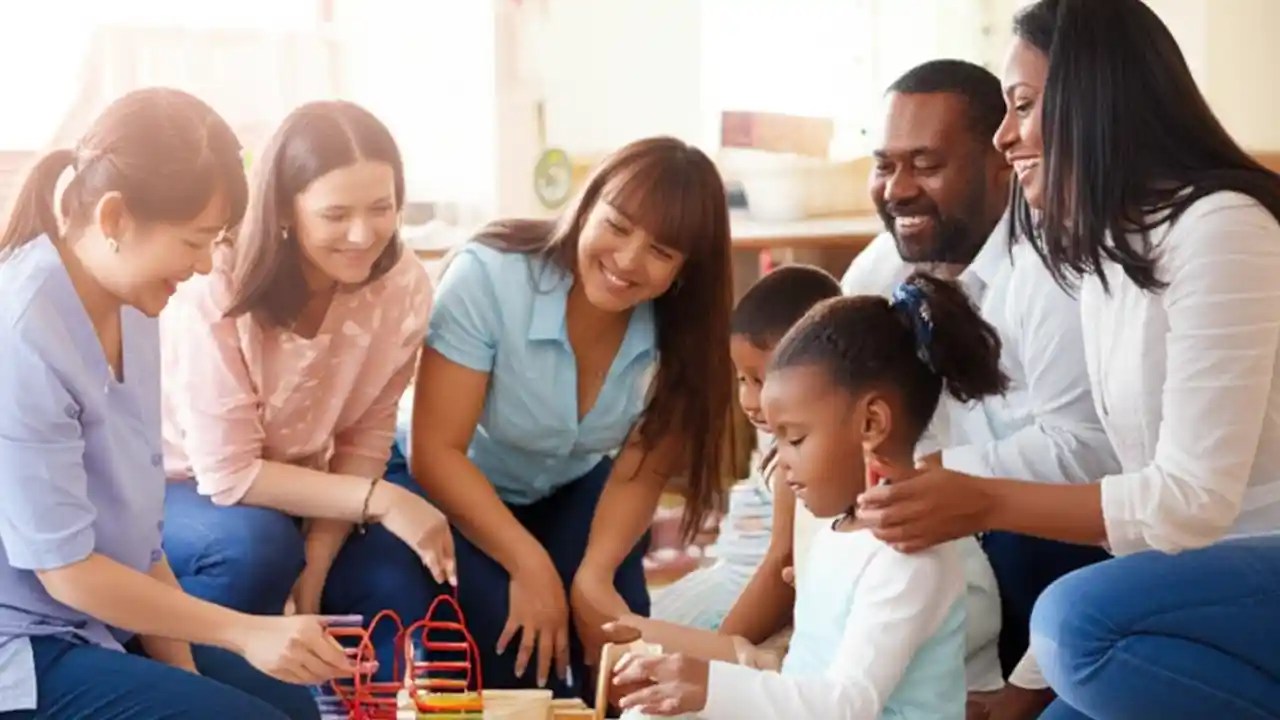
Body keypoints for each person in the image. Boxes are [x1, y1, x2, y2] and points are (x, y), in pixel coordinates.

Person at [857, 1, 1280, 718]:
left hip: (1254, 560)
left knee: (1075, 625)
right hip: (1185, 578)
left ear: (1094, 101)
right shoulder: (1109, 259)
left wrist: (980, 498)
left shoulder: (1223, 229)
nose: (1004, 136)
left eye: (1021, 105)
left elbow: (1190, 503)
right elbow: (1139, 504)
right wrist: (1024, 688)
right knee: (1061, 675)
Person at [723, 59, 1120, 709]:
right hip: (945, 559)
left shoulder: (1057, 281)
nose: (898, 189)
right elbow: (815, 399)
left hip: (1054, 560)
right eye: (885, 164)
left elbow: (1095, 468)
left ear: (1002, 164)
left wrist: (921, 476)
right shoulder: (884, 268)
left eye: (926, 165)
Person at [0, 88, 354, 720]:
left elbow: (138, 539)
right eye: (194, 241)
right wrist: (245, 632)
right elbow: (68, 572)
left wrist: (188, 678)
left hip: (94, 621)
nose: (202, 265)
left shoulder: (133, 302)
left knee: (299, 710)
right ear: (114, 219)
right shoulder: (23, 335)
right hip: (26, 646)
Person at [402, 136, 735, 699]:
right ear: (586, 205)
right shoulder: (489, 276)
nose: (628, 260)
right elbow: (435, 452)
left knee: (613, 645)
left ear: (684, 270)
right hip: (454, 488)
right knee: (516, 654)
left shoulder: (682, 330)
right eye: (619, 226)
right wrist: (531, 566)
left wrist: (593, 575)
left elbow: (641, 470)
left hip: (566, 487)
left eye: (661, 251)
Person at [611, 274, 1009, 719]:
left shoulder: (908, 556)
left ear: (871, 424)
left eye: (795, 440)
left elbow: (846, 705)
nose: (781, 464)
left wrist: (712, 688)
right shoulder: (840, 531)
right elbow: (803, 679)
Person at [160, 100, 451, 682]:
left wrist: (317, 566)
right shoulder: (216, 283)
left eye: (382, 208)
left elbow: (366, 436)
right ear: (287, 210)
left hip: (312, 488)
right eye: (335, 214)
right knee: (258, 545)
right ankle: (188, 687)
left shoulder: (401, 284)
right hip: (183, 486)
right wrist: (384, 499)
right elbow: (230, 475)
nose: (363, 234)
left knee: (399, 567)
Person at [648, 265, 842, 632]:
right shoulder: (777, 435)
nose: (750, 400)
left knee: (631, 650)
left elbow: (782, 567)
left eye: (761, 380)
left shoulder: (801, 460)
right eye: (741, 379)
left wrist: (720, 650)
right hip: (725, 577)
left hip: (747, 599)